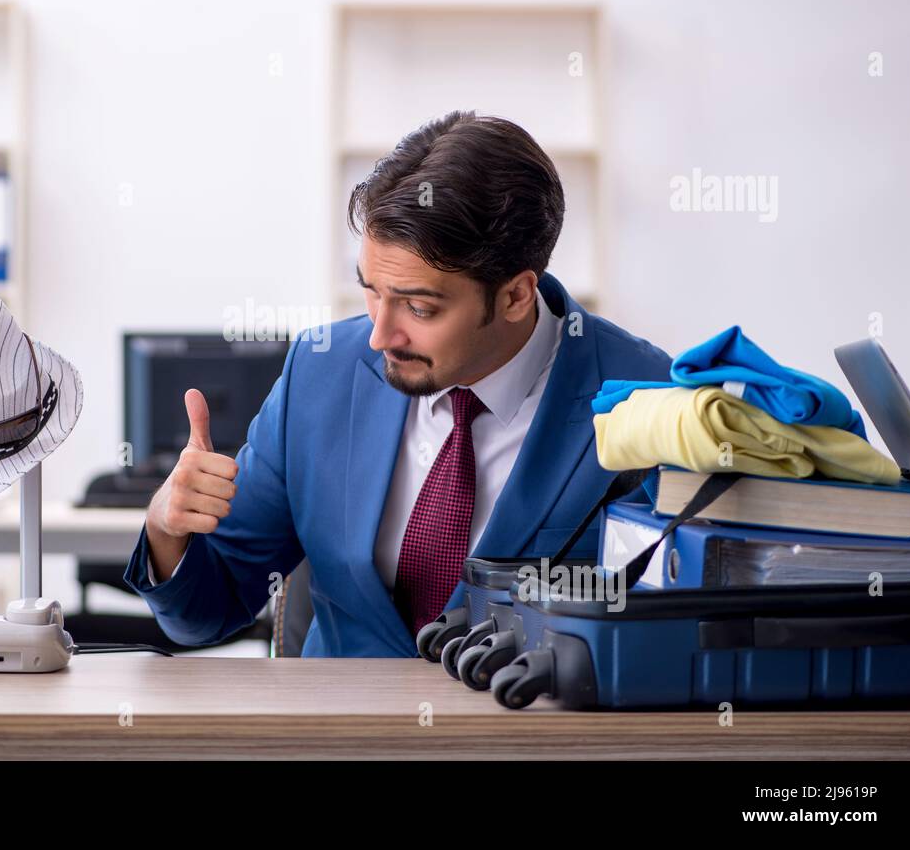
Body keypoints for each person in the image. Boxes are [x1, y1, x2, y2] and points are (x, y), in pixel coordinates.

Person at [122, 110, 671, 656]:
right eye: (371, 291)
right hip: (342, 736)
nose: (380, 335)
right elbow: (203, 616)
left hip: (525, 737)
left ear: (515, 296)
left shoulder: (651, 400)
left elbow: (674, 635)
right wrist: (166, 526)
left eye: (418, 307)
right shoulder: (321, 373)